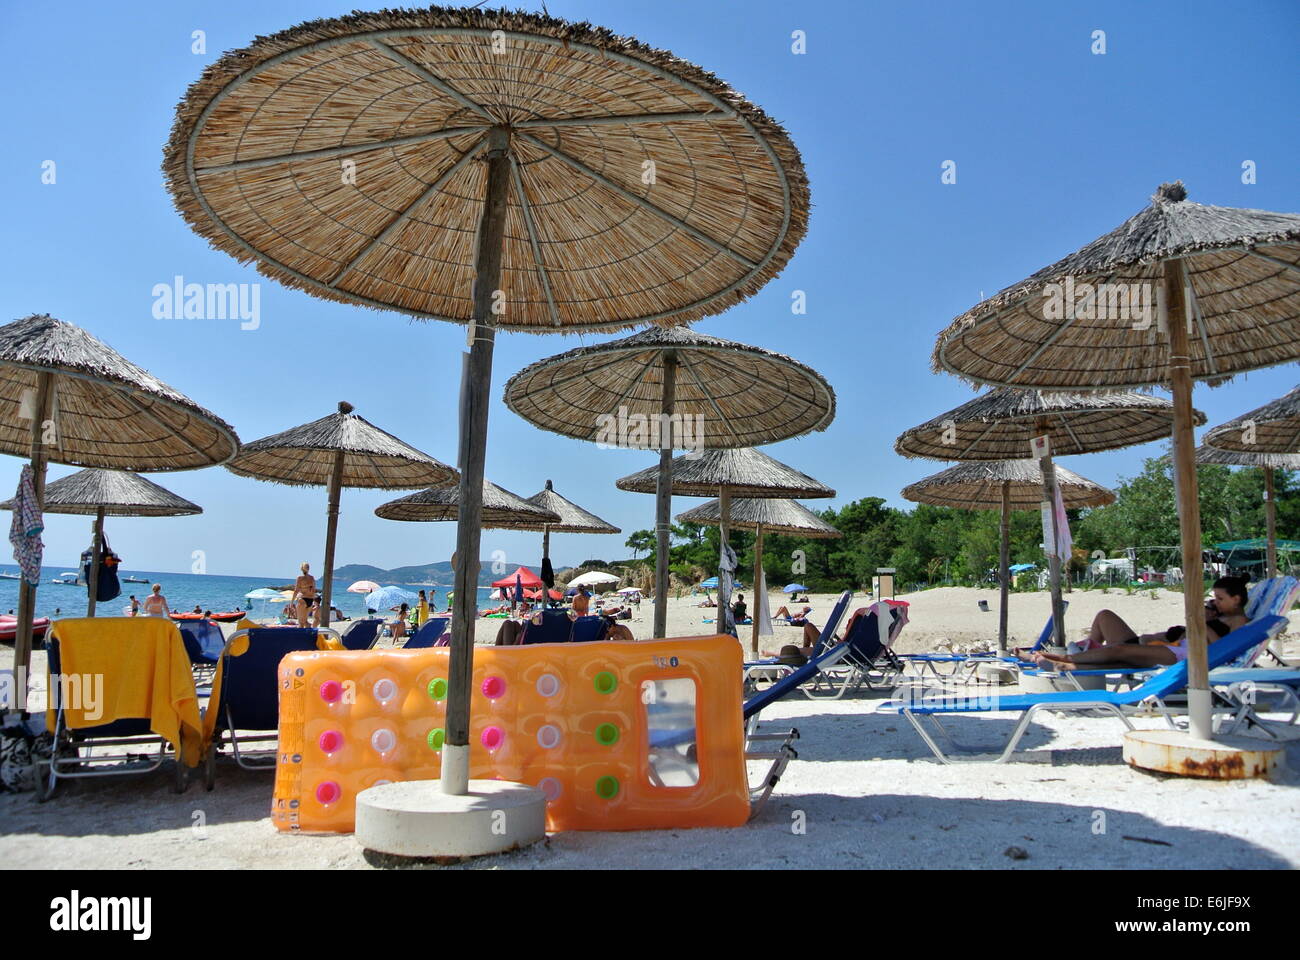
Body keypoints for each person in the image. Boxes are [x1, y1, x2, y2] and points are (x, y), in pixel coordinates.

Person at [1035, 575, 1251, 670]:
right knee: (1124, 659)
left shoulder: (1239, 621)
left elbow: (1225, 652)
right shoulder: (1221, 617)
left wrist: (1202, 626)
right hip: (1181, 648)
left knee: (1121, 650)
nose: (1217, 603)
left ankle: (1065, 658)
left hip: (1190, 655)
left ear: (1236, 599)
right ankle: (1066, 665)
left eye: (1220, 599)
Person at [295, 562, 317, 629]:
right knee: (305, 621)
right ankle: (308, 635)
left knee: (300, 622)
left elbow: (296, 590)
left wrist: (292, 601)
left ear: (301, 569)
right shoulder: (312, 578)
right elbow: (314, 590)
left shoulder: (300, 578)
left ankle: (300, 637)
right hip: (310, 600)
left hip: (302, 600)